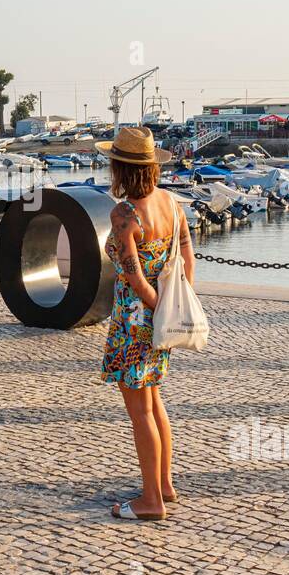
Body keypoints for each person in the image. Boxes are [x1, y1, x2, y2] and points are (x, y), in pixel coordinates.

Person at [96, 126, 193, 522]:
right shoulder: (171, 203)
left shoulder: (124, 214)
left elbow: (135, 278)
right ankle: (164, 484)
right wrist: (173, 304)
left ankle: (151, 501)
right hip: (161, 319)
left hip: (136, 322)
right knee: (154, 401)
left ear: (121, 169)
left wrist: (157, 309)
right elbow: (187, 255)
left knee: (140, 411)